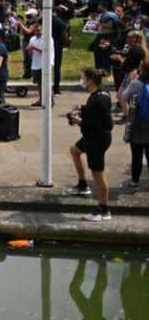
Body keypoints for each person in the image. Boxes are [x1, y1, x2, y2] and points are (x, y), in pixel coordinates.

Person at [66, 68, 113, 221]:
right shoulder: (100, 94)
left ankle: (104, 209)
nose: (82, 80)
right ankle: (82, 185)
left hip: (97, 140)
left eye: (83, 78)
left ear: (90, 80)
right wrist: (82, 108)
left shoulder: (99, 99)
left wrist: (81, 122)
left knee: (98, 173)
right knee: (75, 150)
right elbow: (96, 112)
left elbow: (107, 124)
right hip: (91, 137)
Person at [119, 61, 149, 190]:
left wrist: (128, 115)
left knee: (136, 154)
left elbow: (122, 97)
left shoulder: (136, 84)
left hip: (138, 124)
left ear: (141, 70)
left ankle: (135, 182)